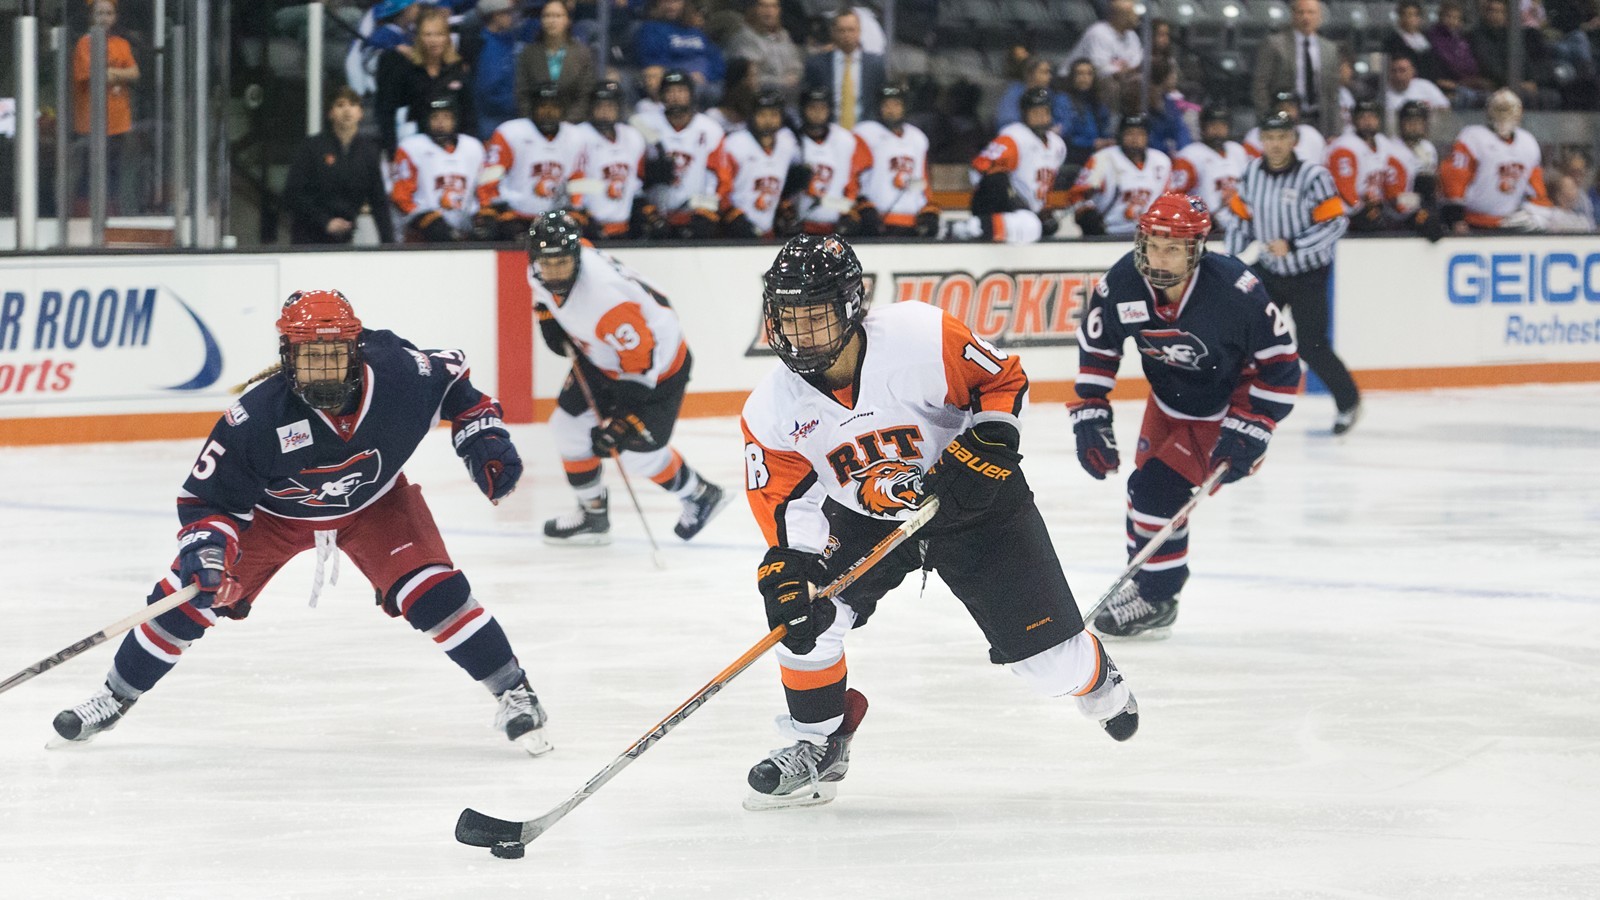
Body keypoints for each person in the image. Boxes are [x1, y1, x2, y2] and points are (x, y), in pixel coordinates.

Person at [50, 289, 549, 756]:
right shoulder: (256, 417)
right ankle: (114, 696)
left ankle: (515, 692)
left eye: (334, 355)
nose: (323, 370)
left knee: (435, 593)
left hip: (375, 506)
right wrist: (208, 551)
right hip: (272, 518)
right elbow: (208, 500)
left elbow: (456, 383)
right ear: (288, 356)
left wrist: (481, 435)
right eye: (311, 357)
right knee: (187, 598)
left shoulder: (399, 375)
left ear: (356, 349)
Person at [738, 234, 1139, 810]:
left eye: (816, 316)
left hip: (976, 502)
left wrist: (991, 440)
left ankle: (1098, 681)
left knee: (1051, 669)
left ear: (850, 306)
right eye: (788, 317)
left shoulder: (920, 336)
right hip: (867, 519)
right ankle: (818, 742)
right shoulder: (771, 408)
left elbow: (1002, 380)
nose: (800, 333)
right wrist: (791, 570)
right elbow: (785, 505)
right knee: (806, 617)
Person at [1069, 193, 1301, 639]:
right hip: (1168, 400)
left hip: (1226, 407)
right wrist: (1091, 412)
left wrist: (1256, 425)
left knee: (1155, 490)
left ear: (1196, 250)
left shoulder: (1235, 290)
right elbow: (1098, 345)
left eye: (1173, 248)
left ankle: (1157, 597)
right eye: (1153, 245)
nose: (1159, 258)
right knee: (1144, 494)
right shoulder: (1123, 282)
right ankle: (1147, 586)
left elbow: (1282, 365)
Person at [525, 212, 730, 544]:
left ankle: (700, 493)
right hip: (602, 357)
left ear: (576, 256)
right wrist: (547, 314)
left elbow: (642, 360)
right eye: (546, 263)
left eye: (562, 262)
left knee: (636, 453)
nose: (554, 271)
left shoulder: (606, 300)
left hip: (658, 368)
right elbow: (544, 293)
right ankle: (593, 514)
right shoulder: (542, 267)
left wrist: (621, 420)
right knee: (567, 428)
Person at [1225, 112, 1360, 435]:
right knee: (1242, 338)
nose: (1275, 144)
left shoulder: (1313, 176)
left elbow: (1335, 223)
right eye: (1269, 138)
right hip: (1269, 272)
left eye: (1282, 137)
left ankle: (1349, 402)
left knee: (1311, 346)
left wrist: (1295, 245)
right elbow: (1241, 218)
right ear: (1261, 140)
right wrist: (1231, 256)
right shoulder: (1251, 173)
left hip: (1307, 275)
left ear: (1293, 140)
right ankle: (1229, 406)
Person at [945, 87, 1066, 244]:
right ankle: (965, 228)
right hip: (998, 204)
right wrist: (1010, 199)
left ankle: (977, 228)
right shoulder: (1014, 137)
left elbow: (1045, 185)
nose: (1041, 116)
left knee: (1036, 226)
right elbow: (979, 170)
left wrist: (1044, 211)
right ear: (1024, 114)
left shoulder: (1058, 146)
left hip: (1028, 213)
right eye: (1035, 112)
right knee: (1000, 181)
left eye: (1044, 111)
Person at [474, 82, 587, 241]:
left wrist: (575, 208)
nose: (548, 112)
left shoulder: (575, 137)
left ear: (562, 109)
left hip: (556, 218)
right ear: (533, 108)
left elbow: (577, 178)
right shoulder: (510, 133)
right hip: (514, 216)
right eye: (543, 106)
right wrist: (490, 208)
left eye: (554, 107)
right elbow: (490, 176)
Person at [285, 86, 396, 245]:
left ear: (360, 113)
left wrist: (389, 245)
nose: (347, 110)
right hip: (308, 238)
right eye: (340, 105)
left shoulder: (369, 153)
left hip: (344, 239)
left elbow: (379, 202)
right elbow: (293, 193)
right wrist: (325, 221)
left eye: (352, 104)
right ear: (330, 113)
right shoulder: (312, 147)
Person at [1438, 88, 1552, 231]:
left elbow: (1536, 188)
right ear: (1488, 112)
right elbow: (1454, 178)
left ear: (1519, 114)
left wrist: (1536, 214)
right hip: (1472, 222)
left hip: (1509, 223)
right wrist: (1456, 218)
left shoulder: (1528, 142)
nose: (1504, 116)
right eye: (1500, 110)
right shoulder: (1472, 137)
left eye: (1509, 110)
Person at [634, 69, 730, 239]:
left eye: (681, 91)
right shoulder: (644, 124)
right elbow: (632, 173)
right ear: (661, 96)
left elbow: (719, 178)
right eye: (670, 91)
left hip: (695, 216)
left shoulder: (711, 130)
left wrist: (706, 211)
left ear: (691, 94)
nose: (675, 96)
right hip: (655, 216)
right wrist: (649, 178)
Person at [376, 5, 477, 155]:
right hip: (414, 148)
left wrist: (467, 150)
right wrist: (392, 152)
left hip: (451, 149)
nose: (434, 40)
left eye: (439, 34)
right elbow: (387, 112)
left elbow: (468, 113)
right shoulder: (405, 69)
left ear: (447, 37)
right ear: (418, 37)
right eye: (427, 34)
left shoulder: (457, 69)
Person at [72, 0, 141, 215]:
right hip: (91, 120)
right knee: (90, 169)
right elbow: (91, 75)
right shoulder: (85, 43)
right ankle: (86, 213)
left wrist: (111, 73)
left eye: (108, 13)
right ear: (91, 16)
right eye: (99, 13)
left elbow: (134, 73)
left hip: (118, 120)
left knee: (114, 168)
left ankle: (111, 212)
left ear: (115, 17)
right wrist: (118, 74)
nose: (104, 18)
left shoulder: (122, 44)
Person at [390, 93, 486, 242]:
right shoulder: (411, 148)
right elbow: (400, 196)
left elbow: (484, 189)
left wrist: (484, 214)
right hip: (423, 221)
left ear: (455, 120)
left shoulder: (473, 148)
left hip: (465, 221)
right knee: (439, 230)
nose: (440, 123)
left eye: (446, 117)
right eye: (435, 117)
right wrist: (423, 217)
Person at [569, 81, 655, 240]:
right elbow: (571, 180)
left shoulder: (633, 137)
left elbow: (637, 183)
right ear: (591, 108)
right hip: (586, 228)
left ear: (619, 108)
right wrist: (579, 211)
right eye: (600, 106)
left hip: (623, 228)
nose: (605, 112)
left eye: (610, 106)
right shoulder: (577, 136)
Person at [1067, 114, 1174, 237]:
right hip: (1109, 232)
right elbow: (1077, 194)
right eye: (1130, 133)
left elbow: (1169, 198)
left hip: (1148, 234)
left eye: (1140, 134)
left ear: (1147, 137)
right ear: (1120, 135)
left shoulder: (1161, 161)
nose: (1135, 139)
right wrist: (1086, 213)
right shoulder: (1102, 159)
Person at [853, 85, 939, 237]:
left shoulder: (917, 138)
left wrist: (929, 209)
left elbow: (923, 180)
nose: (891, 110)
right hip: (877, 222)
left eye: (896, 105)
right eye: (886, 105)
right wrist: (862, 206)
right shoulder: (865, 134)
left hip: (912, 222)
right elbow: (852, 177)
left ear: (905, 108)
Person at [718, 90, 804, 239]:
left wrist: (785, 206)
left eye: (773, 115)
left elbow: (792, 181)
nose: (768, 120)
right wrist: (732, 216)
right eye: (762, 115)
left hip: (768, 231)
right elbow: (720, 186)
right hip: (734, 230)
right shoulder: (735, 144)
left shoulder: (788, 143)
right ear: (752, 116)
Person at [1250, 0, 1341, 139]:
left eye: (1311, 12)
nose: (1306, 17)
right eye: (1301, 12)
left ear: (1320, 17)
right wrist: (1268, 119)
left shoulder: (1330, 49)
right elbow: (1260, 86)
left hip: (1319, 119)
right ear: (1293, 15)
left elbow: (1333, 93)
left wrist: (1335, 131)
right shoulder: (1274, 44)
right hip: (1283, 116)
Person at [793, 87, 875, 236]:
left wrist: (850, 209)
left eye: (822, 108)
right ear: (803, 110)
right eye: (812, 108)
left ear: (830, 110)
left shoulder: (846, 140)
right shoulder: (791, 141)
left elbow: (856, 183)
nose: (817, 113)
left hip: (836, 226)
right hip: (801, 226)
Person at [460, 0, 536, 140]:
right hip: (493, 122)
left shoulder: (508, 39)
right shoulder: (485, 46)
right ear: (496, 16)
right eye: (508, 13)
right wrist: (519, 102)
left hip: (511, 116)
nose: (512, 17)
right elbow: (488, 92)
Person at [803, 10, 887, 130]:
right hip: (829, 131)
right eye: (841, 30)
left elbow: (881, 101)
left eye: (851, 30)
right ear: (833, 33)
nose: (847, 35)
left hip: (866, 131)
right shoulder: (817, 65)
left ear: (859, 31)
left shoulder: (875, 65)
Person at [1170, 106, 1248, 234]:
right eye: (1213, 126)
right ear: (1203, 128)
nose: (1218, 130)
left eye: (1222, 125)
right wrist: (1202, 214)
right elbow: (1176, 197)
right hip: (1207, 230)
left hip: (1241, 225)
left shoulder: (1237, 151)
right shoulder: (1189, 156)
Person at [517, 0, 597, 124]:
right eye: (547, 16)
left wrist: (565, 124)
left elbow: (585, 96)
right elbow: (523, 94)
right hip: (535, 125)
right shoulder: (528, 54)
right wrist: (533, 122)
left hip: (573, 127)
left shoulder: (582, 54)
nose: (552, 20)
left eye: (557, 16)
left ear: (568, 20)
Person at [634, 0, 726, 104]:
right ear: (658, 4)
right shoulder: (651, 29)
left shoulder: (696, 31)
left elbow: (715, 60)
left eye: (675, 1)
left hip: (707, 81)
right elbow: (655, 64)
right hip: (676, 81)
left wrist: (706, 76)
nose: (671, 6)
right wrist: (686, 76)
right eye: (666, 2)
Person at [725, 0, 805, 105]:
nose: (769, 11)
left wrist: (794, 77)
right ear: (754, 9)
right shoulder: (746, 37)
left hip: (790, 91)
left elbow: (796, 65)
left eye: (773, 6)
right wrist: (782, 82)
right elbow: (752, 79)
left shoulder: (784, 35)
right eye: (763, 6)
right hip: (762, 94)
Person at [1066, 0, 1144, 81]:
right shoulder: (1098, 33)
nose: (1136, 17)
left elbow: (1136, 63)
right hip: (1071, 82)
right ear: (1119, 17)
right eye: (1132, 14)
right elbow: (1100, 70)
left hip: (1114, 81)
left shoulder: (1131, 35)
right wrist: (1126, 71)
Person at [1242, 92, 1326, 164]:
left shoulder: (1312, 135)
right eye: (1281, 107)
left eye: (1290, 106)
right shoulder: (1255, 136)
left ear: (1298, 110)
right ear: (1272, 110)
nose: (1286, 111)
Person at [1059, 59, 1114, 165]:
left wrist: (1107, 140)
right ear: (1072, 77)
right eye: (1080, 73)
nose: (1085, 78)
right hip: (1074, 154)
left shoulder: (1097, 102)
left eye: (1089, 74)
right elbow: (1066, 136)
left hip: (1097, 154)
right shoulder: (1063, 100)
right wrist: (1091, 143)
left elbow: (1104, 128)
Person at [1383, 57, 1450, 124]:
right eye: (1393, 71)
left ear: (1412, 71)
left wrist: (1428, 109)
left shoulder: (1425, 85)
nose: (1398, 75)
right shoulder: (1382, 91)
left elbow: (1446, 108)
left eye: (1402, 70)